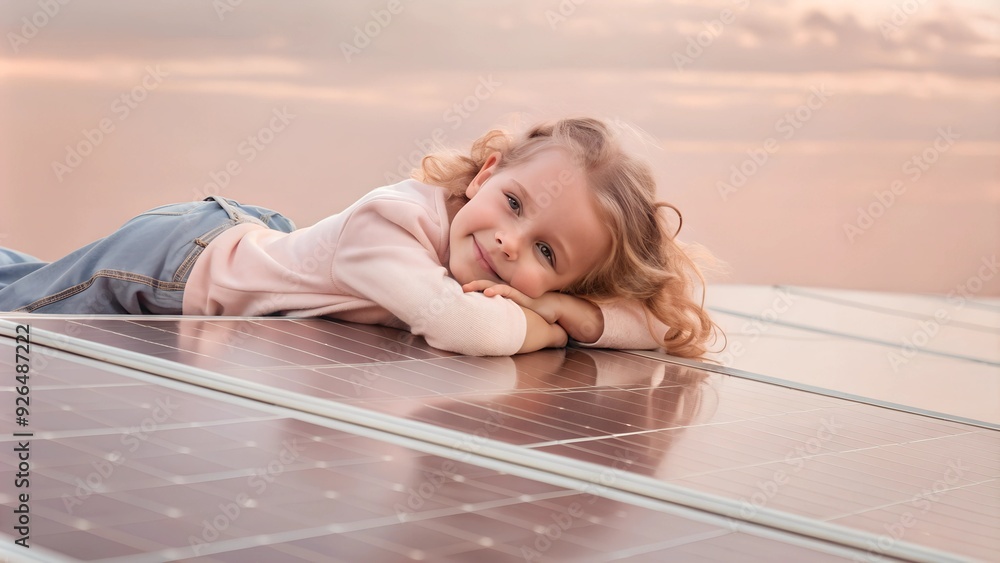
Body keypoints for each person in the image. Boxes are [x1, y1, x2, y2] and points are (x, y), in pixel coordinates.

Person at [0, 117, 721, 357]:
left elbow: (656, 325)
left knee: (31, 274)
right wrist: (544, 327)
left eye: (546, 253)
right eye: (512, 204)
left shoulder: (539, 293)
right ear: (486, 172)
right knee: (26, 306)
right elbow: (457, 324)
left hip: (273, 247)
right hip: (179, 262)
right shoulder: (393, 218)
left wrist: (579, 315)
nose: (508, 242)